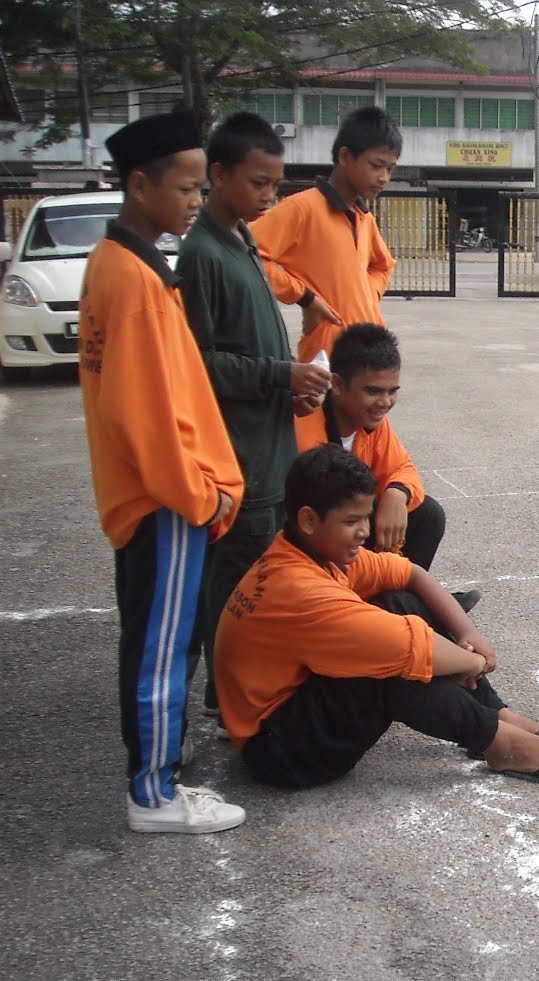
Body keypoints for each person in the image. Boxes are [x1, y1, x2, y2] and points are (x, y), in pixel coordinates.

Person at [215, 445, 539, 789]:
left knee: (398, 601)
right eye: (351, 522)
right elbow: (414, 650)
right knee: (391, 669)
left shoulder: (311, 554)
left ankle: (499, 716)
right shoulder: (300, 589)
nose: (363, 532)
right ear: (309, 520)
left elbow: (411, 574)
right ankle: (501, 743)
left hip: (292, 711)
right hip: (280, 749)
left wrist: (469, 635)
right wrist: (473, 661)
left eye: (366, 518)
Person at [79, 110, 247, 833]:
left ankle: (160, 782)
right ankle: (153, 792)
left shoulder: (123, 264)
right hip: (166, 500)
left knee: (159, 636)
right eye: (182, 187)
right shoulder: (136, 283)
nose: (193, 201)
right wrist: (200, 497)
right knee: (162, 646)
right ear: (139, 185)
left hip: (157, 494)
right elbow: (145, 415)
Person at [178, 111, 333, 731]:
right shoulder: (203, 254)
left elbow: (252, 345)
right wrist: (278, 377)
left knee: (257, 574)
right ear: (218, 175)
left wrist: (292, 389)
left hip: (270, 446)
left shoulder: (243, 241)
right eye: (258, 182)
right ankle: (226, 693)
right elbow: (198, 362)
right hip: (235, 456)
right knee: (231, 582)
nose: (269, 195)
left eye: (277, 184)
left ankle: (240, 683)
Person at [249, 105, 400, 363]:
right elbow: (248, 254)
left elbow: (383, 265)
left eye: (390, 168)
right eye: (376, 165)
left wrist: (364, 295)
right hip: (326, 355)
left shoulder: (364, 217)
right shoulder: (302, 209)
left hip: (367, 352)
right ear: (344, 157)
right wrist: (305, 297)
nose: (384, 177)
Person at [295, 323, 448, 573]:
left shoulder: (370, 421)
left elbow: (402, 467)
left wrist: (397, 493)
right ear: (337, 384)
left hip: (345, 530)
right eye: (373, 391)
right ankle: (389, 599)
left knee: (427, 515)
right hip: (316, 544)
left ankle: (398, 598)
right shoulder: (305, 431)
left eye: (392, 391)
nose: (385, 402)